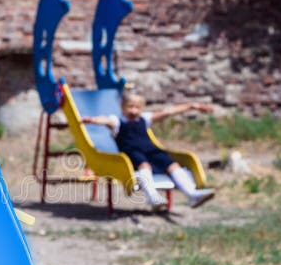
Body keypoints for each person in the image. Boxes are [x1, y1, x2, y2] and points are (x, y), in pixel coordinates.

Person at [82, 89, 215, 209]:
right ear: (122, 106)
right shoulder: (117, 121)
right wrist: (92, 120)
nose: (134, 111)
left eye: (137, 107)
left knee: (172, 165)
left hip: (151, 150)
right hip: (132, 154)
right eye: (130, 107)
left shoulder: (144, 119)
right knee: (144, 165)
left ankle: (192, 194)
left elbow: (168, 111)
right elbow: (105, 120)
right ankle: (153, 196)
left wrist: (192, 106)